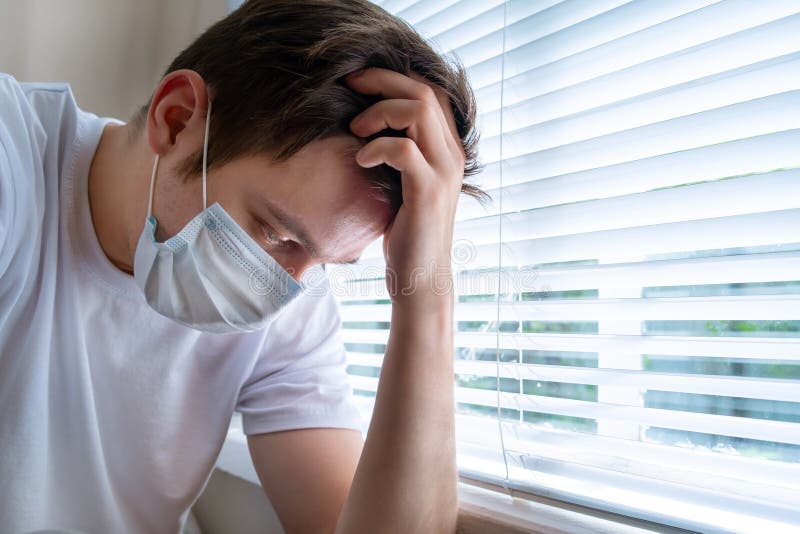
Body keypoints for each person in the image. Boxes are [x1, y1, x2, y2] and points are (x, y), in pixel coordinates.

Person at [0, 0, 486, 532]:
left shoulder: (298, 302)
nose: (283, 292)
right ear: (177, 119)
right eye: (275, 233)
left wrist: (425, 296)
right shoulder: (13, 165)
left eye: (325, 263)